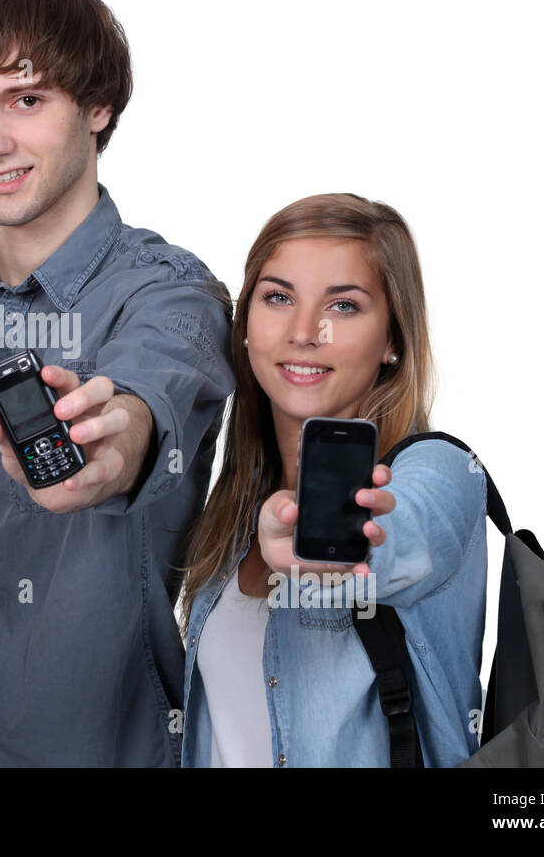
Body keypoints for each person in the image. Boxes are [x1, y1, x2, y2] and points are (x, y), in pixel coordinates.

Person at [0, 0, 234, 766]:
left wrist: (113, 442)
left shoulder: (172, 293)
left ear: (99, 106)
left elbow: (144, 402)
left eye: (26, 100)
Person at [180, 193, 487, 767]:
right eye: (278, 298)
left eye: (342, 306)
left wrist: (336, 541)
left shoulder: (440, 474)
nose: (304, 330)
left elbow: (402, 530)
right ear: (246, 325)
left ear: (393, 339)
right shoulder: (234, 507)